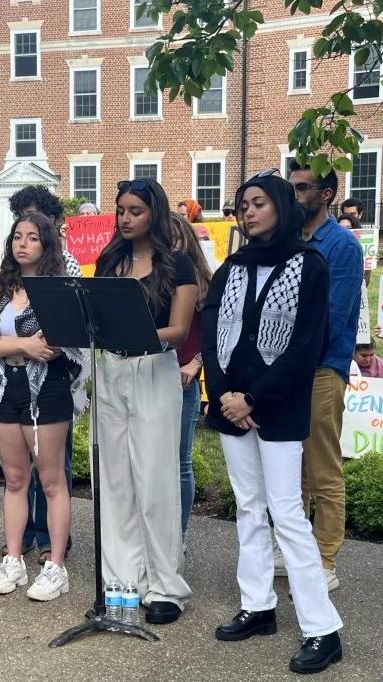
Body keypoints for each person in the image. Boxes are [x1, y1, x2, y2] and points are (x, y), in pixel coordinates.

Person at [202, 171, 342, 674]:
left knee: (287, 514)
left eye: (259, 203)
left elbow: (307, 346)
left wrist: (254, 398)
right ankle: (258, 605)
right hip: (231, 406)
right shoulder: (231, 267)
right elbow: (212, 334)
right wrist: (224, 395)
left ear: (282, 206)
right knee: (249, 509)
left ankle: (322, 629)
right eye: (243, 205)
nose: (249, 212)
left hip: (278, 407)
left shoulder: (309, 265)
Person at [94, 179, 196, 624]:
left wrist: (133, 334)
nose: (125, 218)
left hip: (155, 369)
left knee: (155, 480)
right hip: (111, 370)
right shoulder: (110, 260)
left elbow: (178, 330)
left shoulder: (179, 264)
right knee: (115, 482)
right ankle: (122, 581)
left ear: (153, 212)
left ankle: (164, 586)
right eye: (120, 210)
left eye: (134, 210)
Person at [0, 212, 85, 600]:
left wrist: (22, 346)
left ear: (46, 245)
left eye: (32, 238)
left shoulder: (58, 289)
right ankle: (14, 560)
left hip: (48, 389)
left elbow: (57, 344)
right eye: (17, 237)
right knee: (16, 479)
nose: (22, 244)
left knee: (51, 480)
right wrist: (22, 345)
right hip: (6, 387)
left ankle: (55, 565)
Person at [284, 160, 363, 592]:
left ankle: (325, 557)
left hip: (321, 370)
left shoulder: (342, 246)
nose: (294, 195)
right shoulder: (292, 240)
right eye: (292, 187)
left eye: (302, 188)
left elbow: (333, 316)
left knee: (322, 468)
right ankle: (295, 550)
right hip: (287, 371)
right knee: (289, 468)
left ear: (326, 194)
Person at [5, 186, 82, 564]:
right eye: (22, 216)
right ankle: (27, 534)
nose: (28, 228)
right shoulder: (10, 275)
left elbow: (71, 322)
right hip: (15, 382)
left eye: (37, 217)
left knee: (53, 466)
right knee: (20, 470)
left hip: (53, 379)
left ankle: (54, 541)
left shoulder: (65, 262)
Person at [171, 212, 212, 539]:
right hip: (150, 375)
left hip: (183, 380)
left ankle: (179, 534)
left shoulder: (205, 282)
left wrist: (196, 363)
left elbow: (215, 334)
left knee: (180, 463)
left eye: (175, 237)